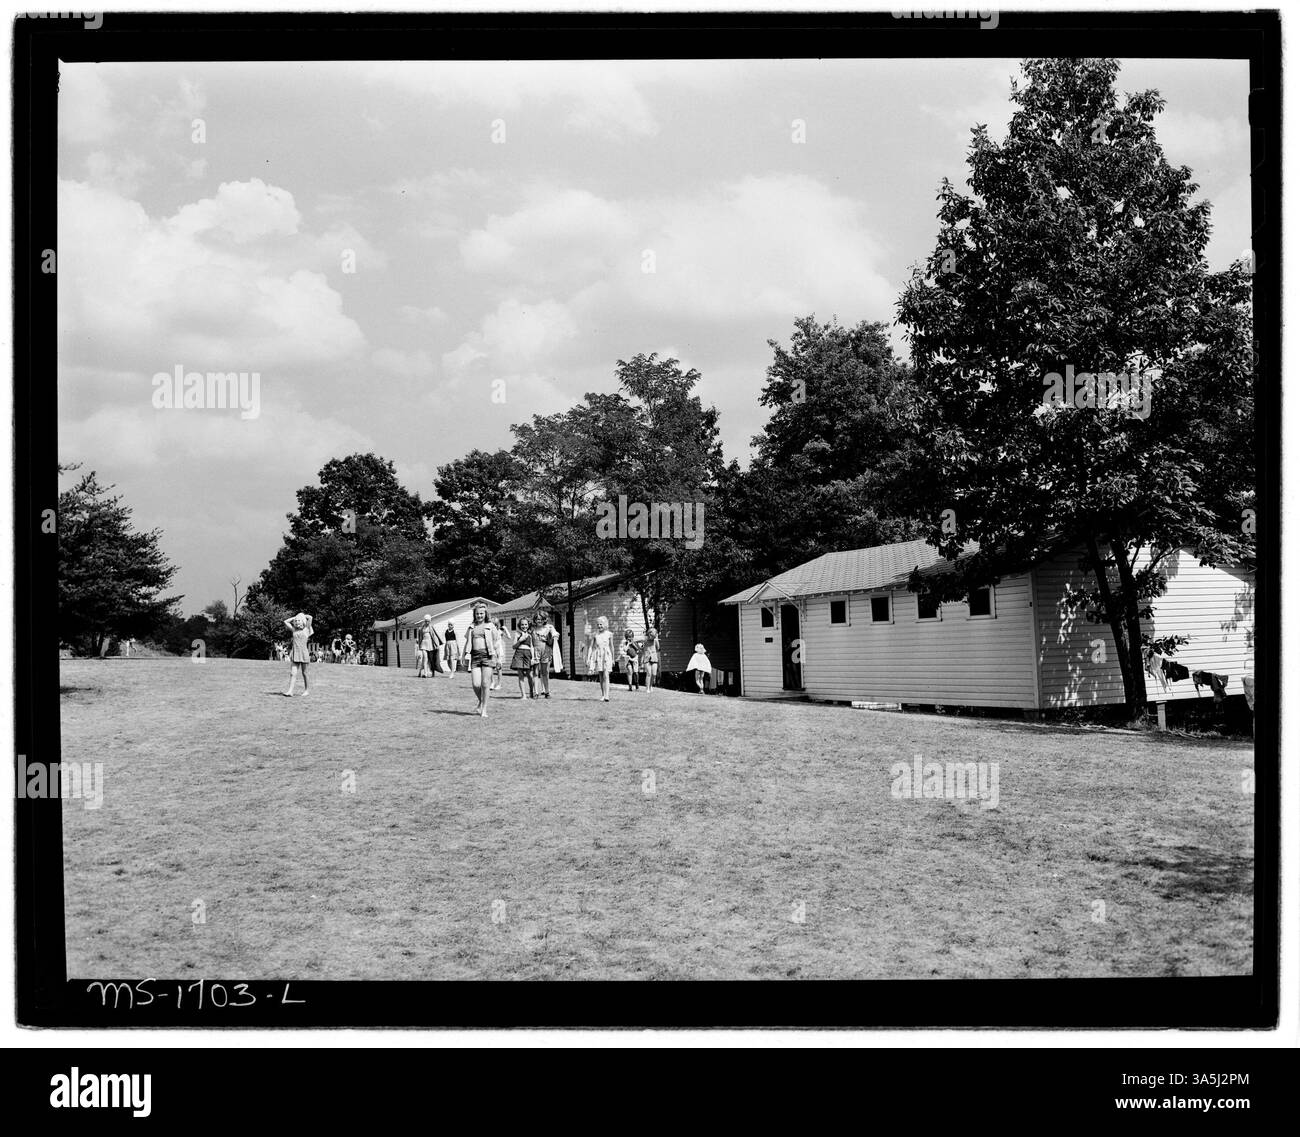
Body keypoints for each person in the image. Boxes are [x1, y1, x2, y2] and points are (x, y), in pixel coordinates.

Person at [462, 602, 500, 717]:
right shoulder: (471, 626)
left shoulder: (490, 626)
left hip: (487, 656)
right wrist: (463, 655)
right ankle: (481, 701)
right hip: (475, 657)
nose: (479, 616)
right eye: (477, 614)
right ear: (475, 614)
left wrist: (497, 658)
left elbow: (496, 643)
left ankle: (484, 709)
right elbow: (467, 642)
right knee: (476, 684)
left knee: (485, 683)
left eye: (481, 613)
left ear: (485, 614)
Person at [282, 613, 314, 696]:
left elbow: (310, 617)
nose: (297, 622)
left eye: (298, 621)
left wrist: (302, 616)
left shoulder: (306, 629)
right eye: (296, 621)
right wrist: (295, 617)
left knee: (305, 673)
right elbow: (286, 621)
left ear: (303, 621)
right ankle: (290, 691)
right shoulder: (294, 630)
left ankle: (306, 690)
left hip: (304, 653)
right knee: (293, 673)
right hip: (295, 653)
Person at [586, 615, 615, 702]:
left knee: (606, 675)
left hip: (607, 656)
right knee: (601, 675)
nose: (599, 626)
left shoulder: (609, 634)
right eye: (598, 624)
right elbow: (591, 647)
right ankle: (603, 694)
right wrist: (588, 658)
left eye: (601, 624)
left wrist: (613, 658)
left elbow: (612, 646)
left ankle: (607, 695)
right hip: (598, 656)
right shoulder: (595, 635)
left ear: (605, 624)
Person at [533, 611, 558, 699]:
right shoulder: (533, 629)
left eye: (541, 619)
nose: (539, 621)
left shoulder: (548, 628)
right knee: (535, 672)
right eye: (537, 619)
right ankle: (535, 692)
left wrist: (554, 634)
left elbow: (554, 634)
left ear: (544, 620)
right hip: (535, 651)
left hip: (546, 651)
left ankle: (547, 691)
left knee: (545, 672)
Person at [511, 617, 537, 699]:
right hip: (519, 653)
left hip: (528, 654)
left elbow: (532, 646)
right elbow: (513, 646)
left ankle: (531, 692)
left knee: (530, 675)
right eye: (522, 624)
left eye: (526, 624)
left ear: (528, 625)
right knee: (520, 675)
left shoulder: (530, 635)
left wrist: (533, 658)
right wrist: (520, 640)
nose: (524, 626)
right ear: (519, 625)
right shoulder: (517, 634)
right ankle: (523, 695)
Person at [490, 618, 508, 690]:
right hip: (492, 651)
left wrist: (505, 629)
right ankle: (492, 682)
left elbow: (509, 637)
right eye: (493, 624)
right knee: (490, 667)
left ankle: (499, 684)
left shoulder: (500, 631)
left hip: (499, 652)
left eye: (495, 624)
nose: (494, 626)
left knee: (499, 668)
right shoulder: (490, 632)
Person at [641, 626, 660, 693]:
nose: (653, 637)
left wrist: (656, 640)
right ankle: (647, 688)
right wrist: (640, 649)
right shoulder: (645, 640)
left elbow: (658, 648)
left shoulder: (655, 641)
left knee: (654, 674)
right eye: (652, 635)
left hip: (654, 658)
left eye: (654, 635)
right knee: (649, 673)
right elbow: (636, 642)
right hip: (647, 658)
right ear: (649, 634)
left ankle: (650, 685)